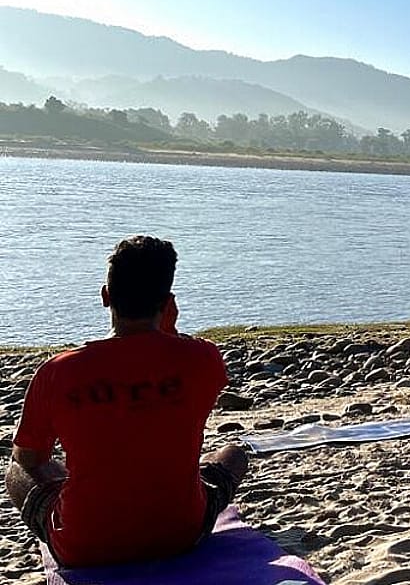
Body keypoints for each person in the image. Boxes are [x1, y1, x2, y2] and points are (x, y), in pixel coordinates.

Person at [6, 236, 248, 568]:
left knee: (18, 469)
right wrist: (169, 333)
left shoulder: (58, 372)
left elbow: (30, 457)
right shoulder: (203, 359)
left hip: (85, 548)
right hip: (180, 535)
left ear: (106, 296)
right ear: (167, 302)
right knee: (233, 454)